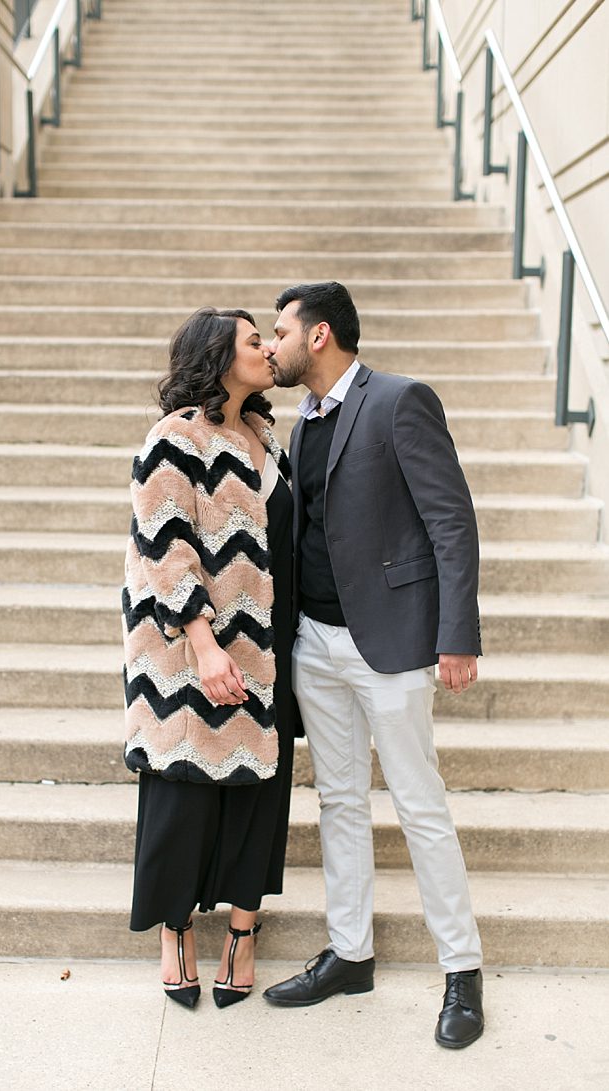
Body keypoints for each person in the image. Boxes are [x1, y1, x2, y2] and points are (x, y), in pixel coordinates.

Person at [260, 281, 485, 1049]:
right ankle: (351, 953)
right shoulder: (303, 420)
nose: (272, 343)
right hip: (314, 645)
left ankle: (462, 967)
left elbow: (451, 520)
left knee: (419, 802)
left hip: (388, 640)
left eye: (282, 329)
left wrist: (457, 633)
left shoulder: (399, 401)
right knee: (341, 803)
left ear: (320, 335)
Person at [122, 307, 298, 1010]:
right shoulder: (176, 437)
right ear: (219, 356)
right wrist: (204, 644)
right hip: (194, 646)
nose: (267, 350)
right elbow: (164, 543)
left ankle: (243, 932)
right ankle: (176, 930)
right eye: (255, 341)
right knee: (183, 786)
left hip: (269, 643)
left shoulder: (266, 438)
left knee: (261, 788)